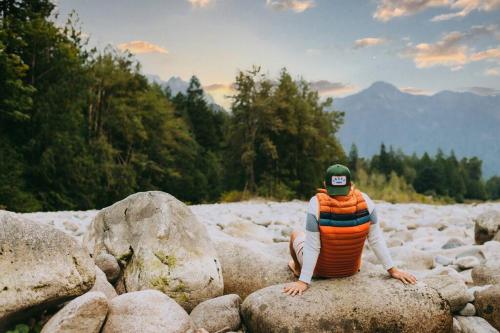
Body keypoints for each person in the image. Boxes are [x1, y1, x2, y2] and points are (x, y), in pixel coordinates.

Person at [283, 164, 417, 296]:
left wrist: (303, 282)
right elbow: (376, 240)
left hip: (320, 271)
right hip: (351, 270)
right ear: (350, 184)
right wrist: (393, 270)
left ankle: (298, 269)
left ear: (325, 184)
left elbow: (313, 246)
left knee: (296, 234)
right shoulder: (366, 200)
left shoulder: (316, 203)